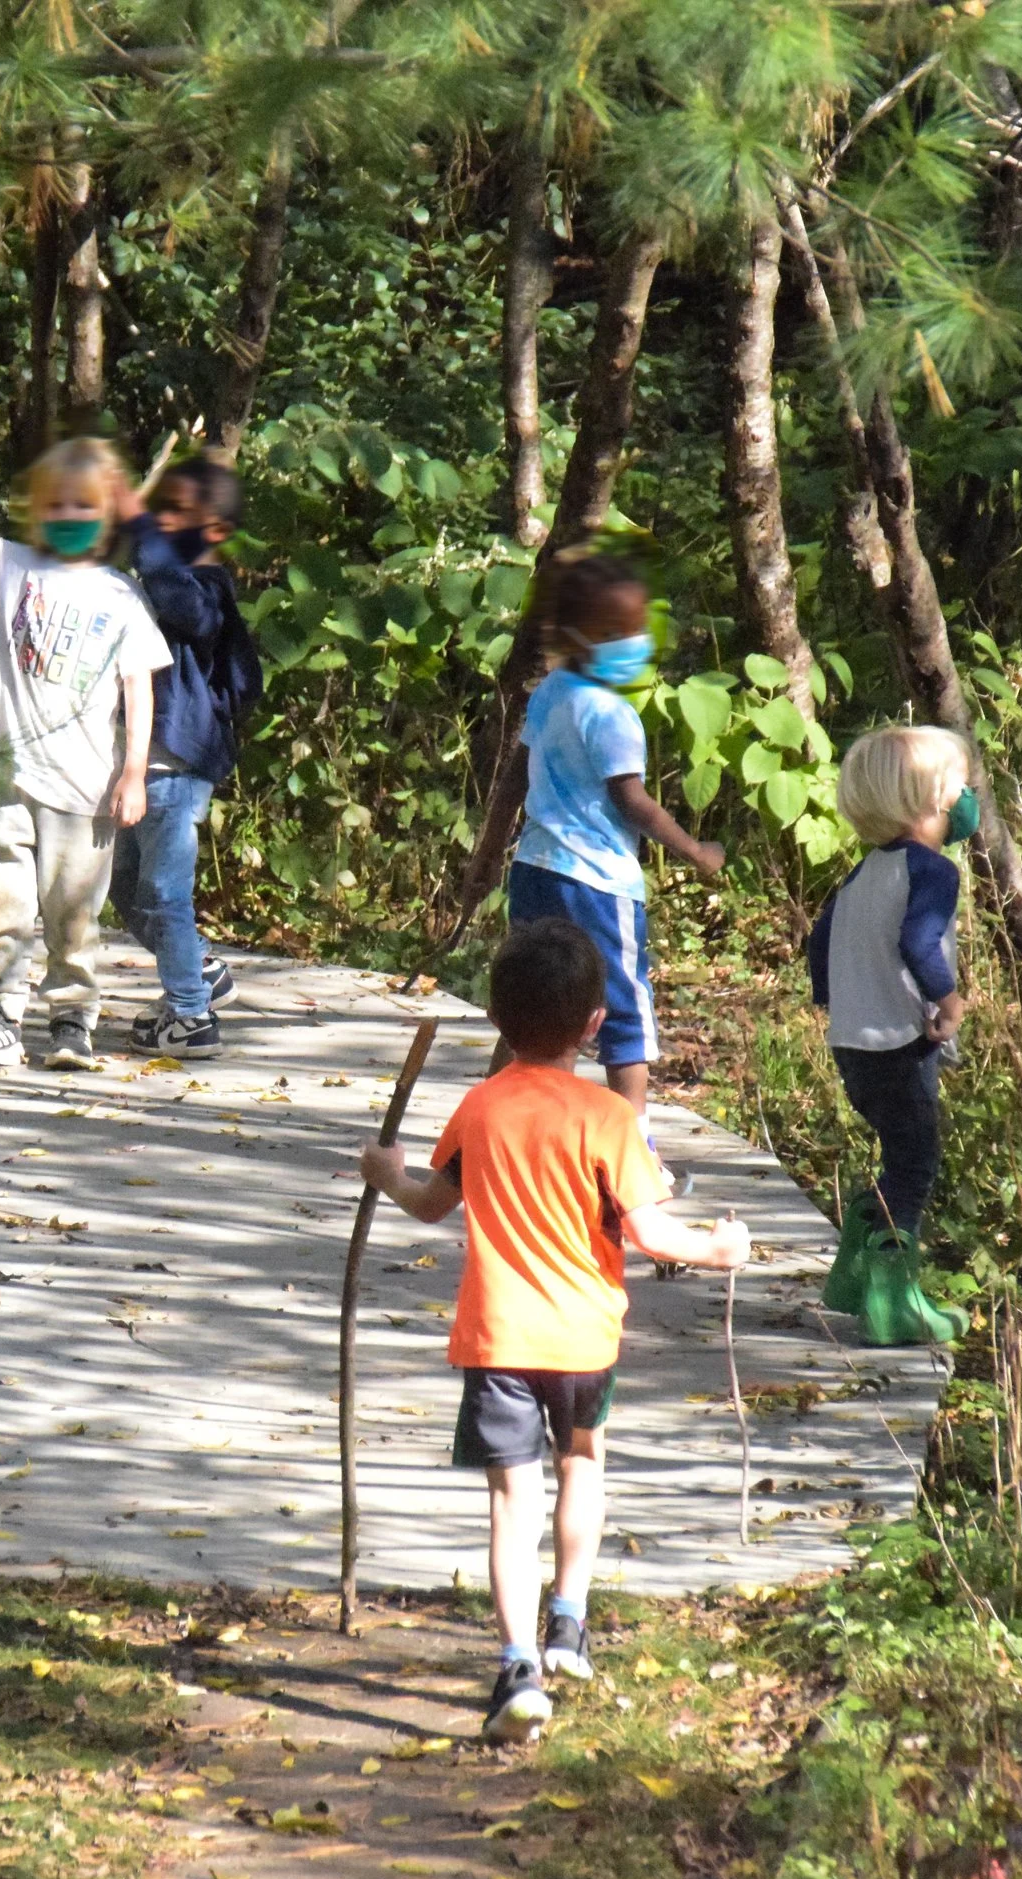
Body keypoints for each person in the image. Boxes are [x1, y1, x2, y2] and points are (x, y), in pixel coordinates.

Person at [360, 919, 750, 1737]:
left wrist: (390, 1175)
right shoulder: (609, 1116)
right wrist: (717, 1249)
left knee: (512, 1502)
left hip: (500, 1338)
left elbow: (434, 1202)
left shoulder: (481, 1106)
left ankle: (517, 1670)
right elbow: (647, 1231)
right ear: (593, 1025)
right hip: (582, 1339)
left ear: (500, 1022)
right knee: (583, 1464)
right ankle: (568, 1622)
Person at [0, 416, 171, 1072]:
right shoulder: (15, 566)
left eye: (85, 505)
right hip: (6, 772)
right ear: (37, 512)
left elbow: (139, 691)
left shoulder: (122, 596)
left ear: (106, 515)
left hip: (86, 787)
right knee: (0, 898)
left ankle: (72, 1021)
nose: (70, 515)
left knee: (72, 912)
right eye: (56, 505)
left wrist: (134, 773)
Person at [502, 556, 723, 1153]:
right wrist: (695, 851)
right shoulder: (612, 713)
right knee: (623, 1006)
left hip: (535, 869)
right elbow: (633, 802)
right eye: (626, 631)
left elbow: (514, 780)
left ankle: (520, 1128)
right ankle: (635, 1147)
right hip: (598, 884)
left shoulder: (549, 695)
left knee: (538, 1000)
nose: (638, 642)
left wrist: (483, 864)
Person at [805, 726, 974, 1347]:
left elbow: (817, 945)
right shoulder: (932, 871)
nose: (967, 798)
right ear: (930, 799)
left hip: (853, 1044)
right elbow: (918, 941)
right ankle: (894, 1304)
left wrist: (838, 1000)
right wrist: (949, 1001)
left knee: (895, 1152)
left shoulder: (860, 875)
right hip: (903, 1043)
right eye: (960, 785)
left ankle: (852, 1278)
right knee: (916, 1160)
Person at [112, 458, 262, 1059]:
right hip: (144, 763)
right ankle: (198, 967)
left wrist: (143, 532)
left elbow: (184, 608)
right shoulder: (165, 573)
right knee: (125, 887)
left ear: (216, 532)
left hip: (176, 761)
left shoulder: (206, 588)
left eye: (179, 516)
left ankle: (190, 1013)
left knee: (166, 891)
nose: (163, 523)